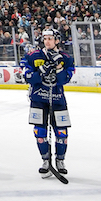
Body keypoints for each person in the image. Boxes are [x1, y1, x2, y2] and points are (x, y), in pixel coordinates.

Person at [20, 30, 76, 177]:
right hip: (38, 100)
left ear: (56, 40)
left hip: (57, 99)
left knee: (62, 133)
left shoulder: (66, 58)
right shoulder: (33, 56)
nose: (47, 41)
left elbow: (64, 80)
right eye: (45, 39)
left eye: (50, 38)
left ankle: (60, 160)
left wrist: (58, 68)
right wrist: (41, 72)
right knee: (40, 132)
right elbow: (27, 76)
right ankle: (45, 160)